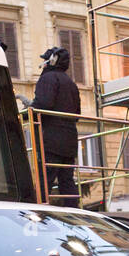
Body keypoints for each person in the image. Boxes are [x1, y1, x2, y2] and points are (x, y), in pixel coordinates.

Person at [30, 46, 82, 207]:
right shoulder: (71, 84)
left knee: (45, 179)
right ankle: (74, 213)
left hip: (51, 140)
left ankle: (37, 211)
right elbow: (77, 113)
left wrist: (28, 112)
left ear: (51, 61)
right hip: (70, 141)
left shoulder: (48, 79)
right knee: (67, 180)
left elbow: (43, 104)